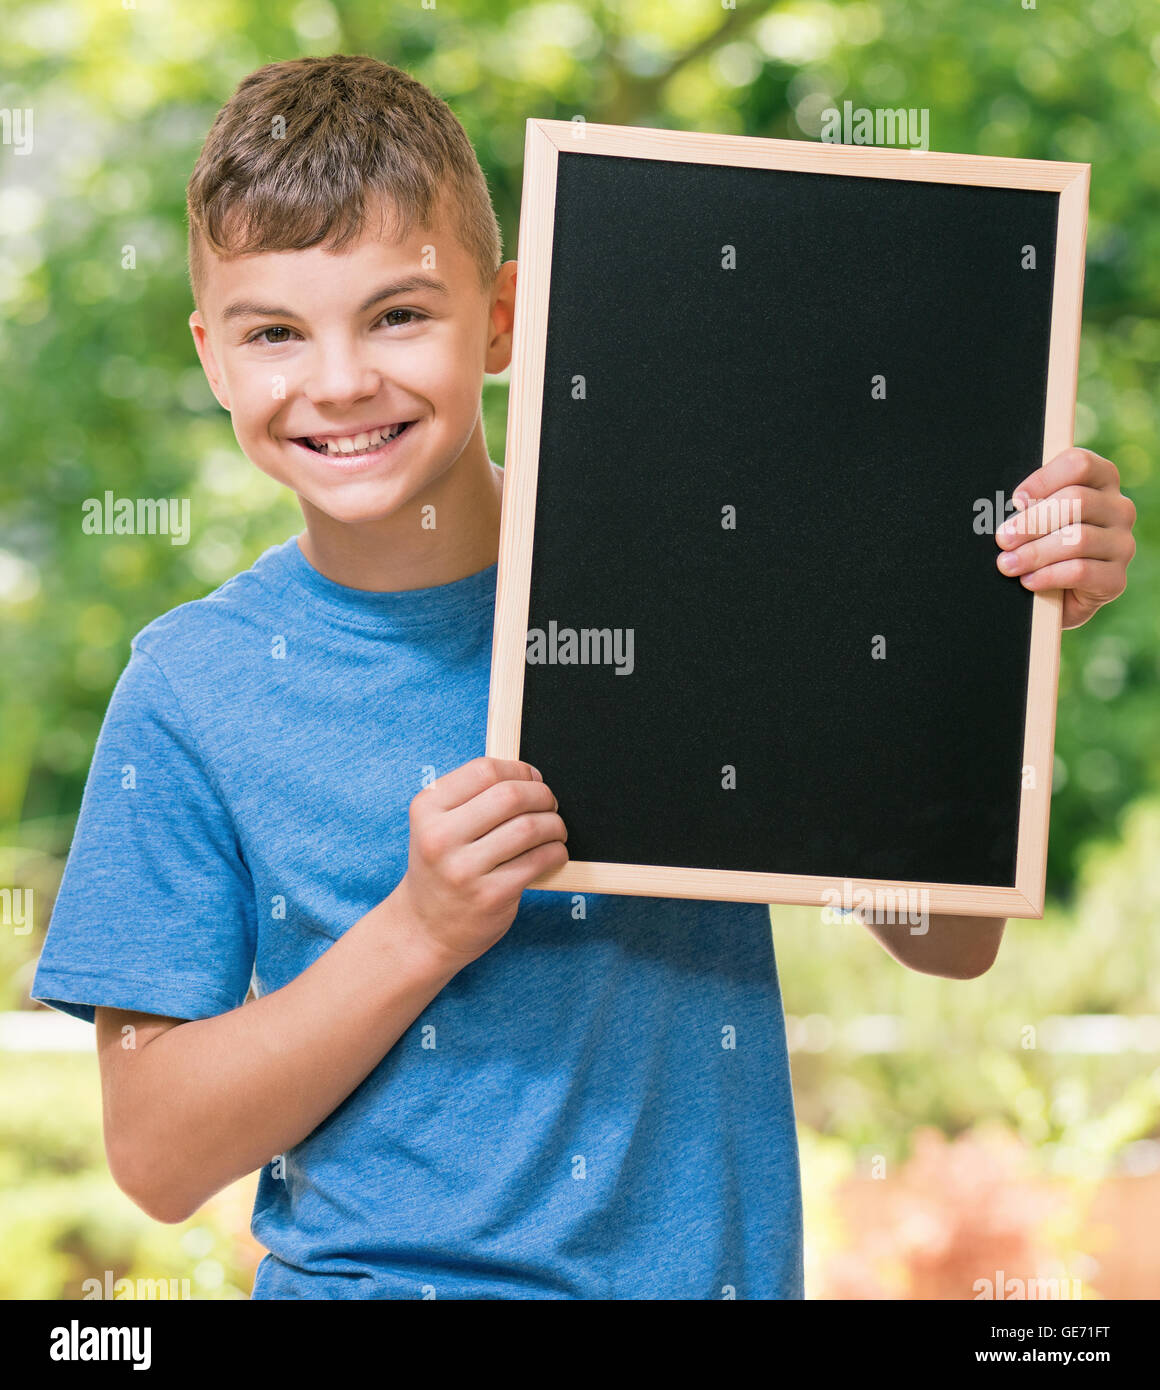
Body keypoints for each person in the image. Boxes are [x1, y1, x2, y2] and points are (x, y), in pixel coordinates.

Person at [31, 54, 1137, 1300]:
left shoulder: (699, 578)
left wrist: (986, 631)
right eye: (274, 332)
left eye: (399, 313)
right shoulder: (189, 688)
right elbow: (159, 1157)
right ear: (213, 358)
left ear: (503, 319)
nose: (338, 381)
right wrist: (418, 930)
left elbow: (945, 941)